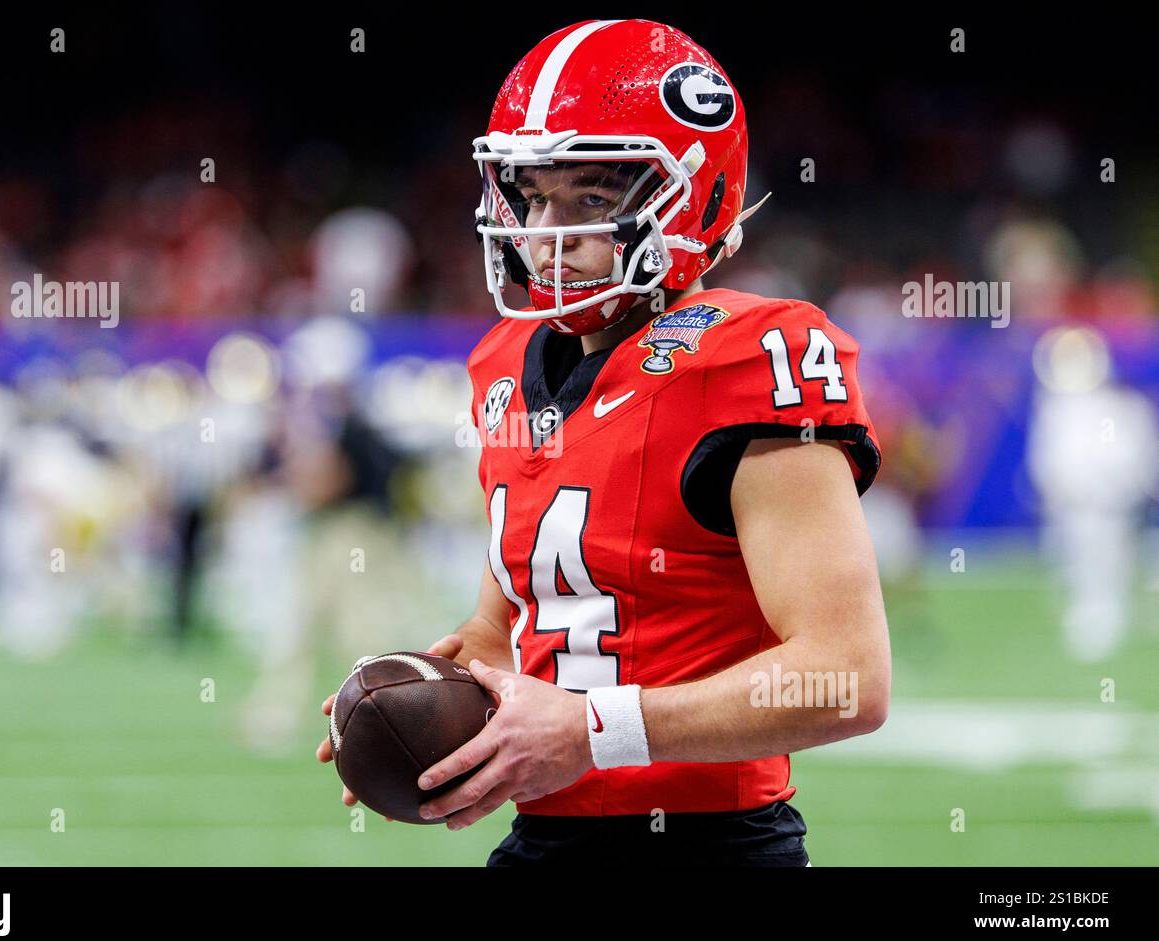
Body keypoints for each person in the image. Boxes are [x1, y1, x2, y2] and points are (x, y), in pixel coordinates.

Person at [318, 18, 891, 866]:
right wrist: (426, 702)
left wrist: (595, 729)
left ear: (692, 200)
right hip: (544, 837)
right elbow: (501, 625)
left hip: (710, 846)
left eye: (591, 198)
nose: (550, 232)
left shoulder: (752, 358)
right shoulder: (504, 363)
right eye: (535, 195)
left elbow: (847, 679)